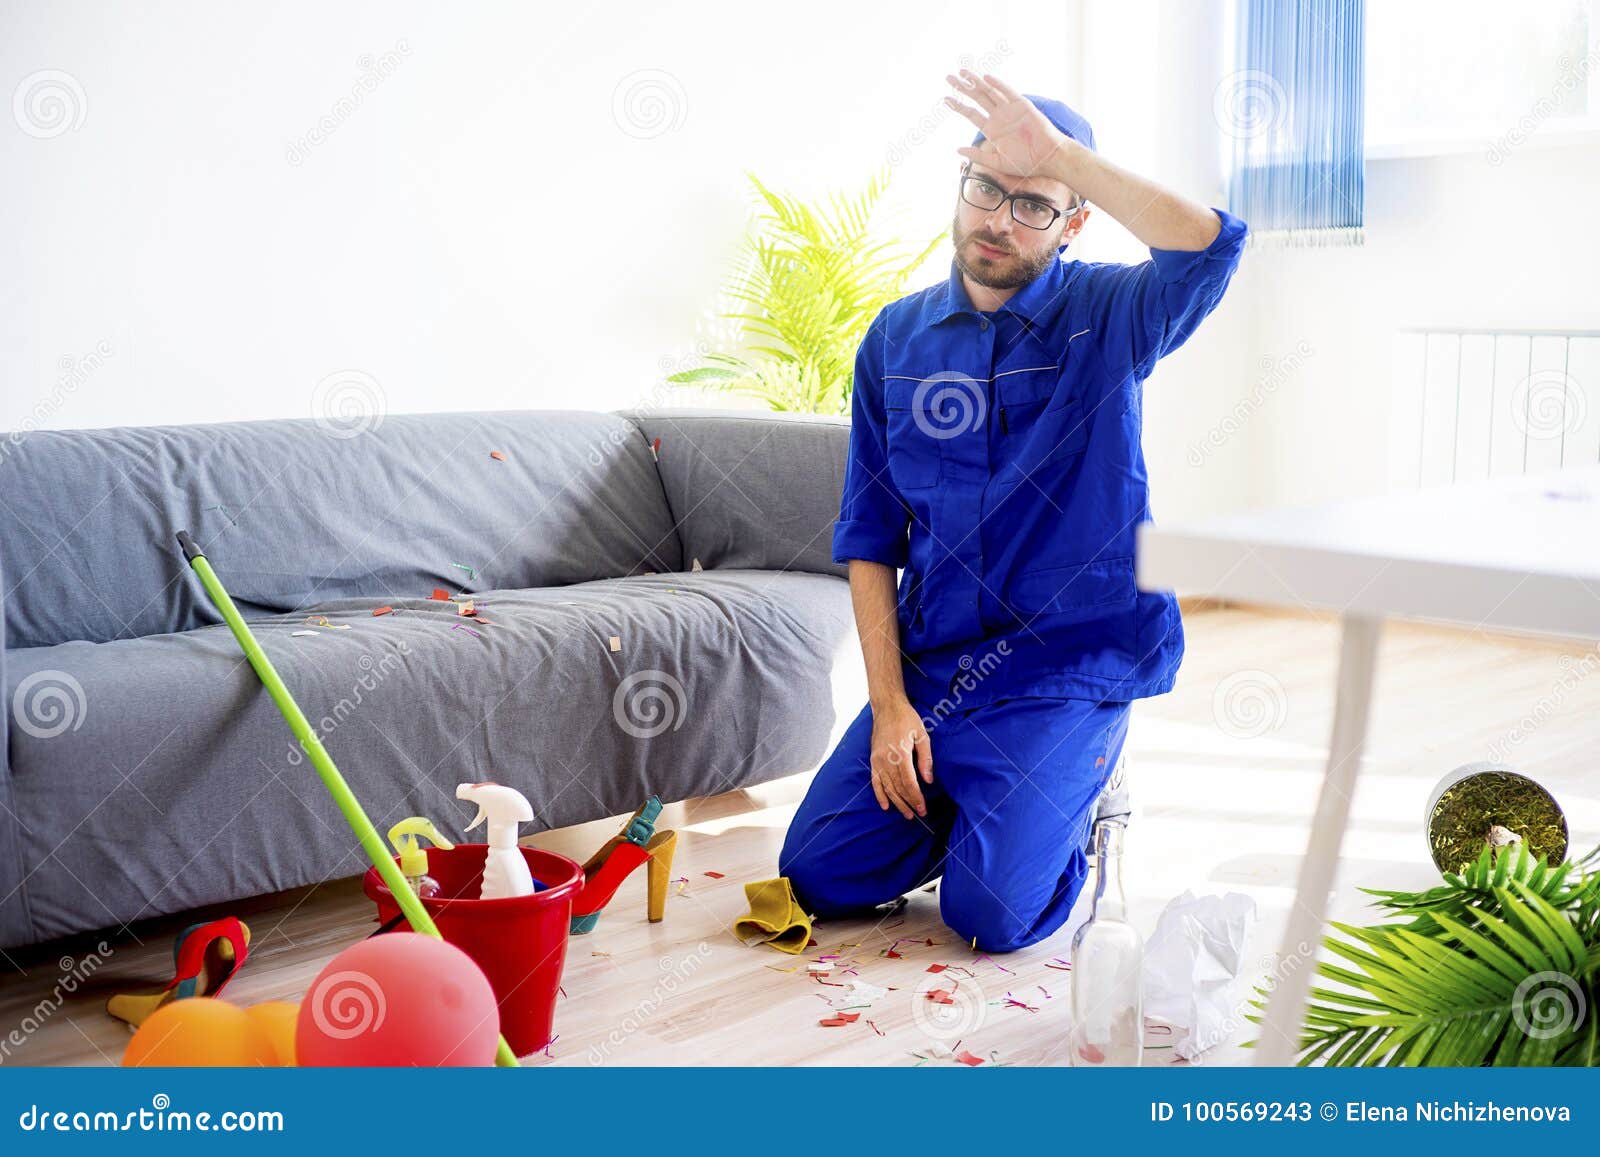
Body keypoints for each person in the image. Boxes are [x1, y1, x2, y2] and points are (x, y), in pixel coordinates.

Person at [777, 70, 1248, 952]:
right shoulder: (895, 339)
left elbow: (1210, 248)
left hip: (1068, 665)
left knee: (990, 916)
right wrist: (888, 707)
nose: (997, 218)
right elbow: (871, 535)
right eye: (986, 188)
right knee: (819, 872)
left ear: (1074, 224)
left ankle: (1069, 792)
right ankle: (985, 798)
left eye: (1033, 203)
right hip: (935, 665)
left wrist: (1062, 156)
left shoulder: (1112, 314)